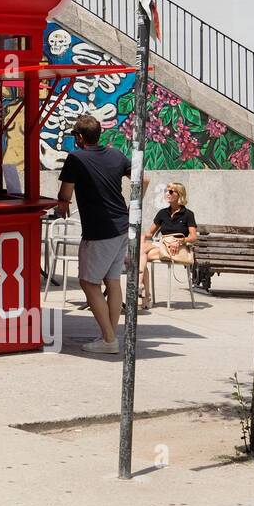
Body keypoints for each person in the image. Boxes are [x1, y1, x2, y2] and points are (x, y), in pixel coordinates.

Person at [54, 114, 143, 355]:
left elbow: (65, 194)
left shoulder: (76, 158)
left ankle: (109, 339)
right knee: (112, 281)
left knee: (88, 282)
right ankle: (109, 336)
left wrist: (61, 205)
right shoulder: (115, 154)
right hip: (122, 226)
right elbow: (142, 178)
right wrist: (133, 206)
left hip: (100, 230)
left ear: (80, 137)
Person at [138, 182, 198, 310]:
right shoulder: (162, 213)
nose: (167, 194)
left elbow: (193, 237)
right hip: (162, 245)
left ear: (179, 194)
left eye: (171, 191)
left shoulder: (188, 214)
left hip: (176, 248)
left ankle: (144, 293)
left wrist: (180, 241)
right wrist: (142, 237)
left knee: (141, 255)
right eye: (166, 191)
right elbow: (150, 233)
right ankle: (142, 290)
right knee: (141, 251)